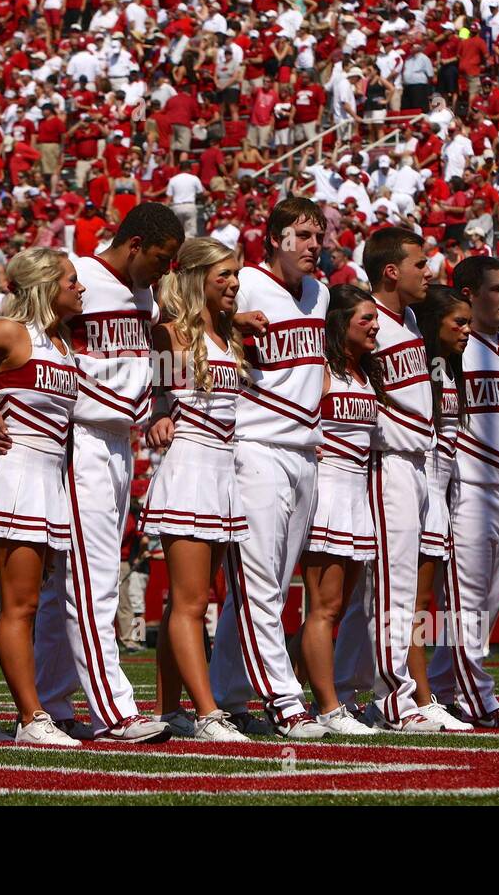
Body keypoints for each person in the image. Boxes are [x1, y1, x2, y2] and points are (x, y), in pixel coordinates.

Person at [22, 203, 182, 744]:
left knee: (69, 585)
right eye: (160, 258)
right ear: (134, 244)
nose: (163, 271)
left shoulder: (144, 294)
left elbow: (160, 343)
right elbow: (22, 335)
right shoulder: (78, 277)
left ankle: (51, 699)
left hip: (119, 441)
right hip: (80, 437)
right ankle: (112, 710)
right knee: (92, 583)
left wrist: (159, 401)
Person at [208, 197, 331, 739]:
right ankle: (284, 699)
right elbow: (179, 313)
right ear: (275, 238)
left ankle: (229, 693)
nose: (314, 245)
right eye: (302, 235)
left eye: (318, 235)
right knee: (257, 582)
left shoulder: (322, 293)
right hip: (255, 447)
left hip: (305, 451)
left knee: (271, 588)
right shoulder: (248, 283)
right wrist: (228, 318)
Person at [0, 247, 84, 746]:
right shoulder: (10, 332)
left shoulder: (61, 341)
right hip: (16, 475)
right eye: (71, 281)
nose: (80, 289)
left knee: (27, 603)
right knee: (20, 605)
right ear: (44, 286)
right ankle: (32, 719)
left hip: (50, 476)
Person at [140, 238, 250, 743]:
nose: (233, 283)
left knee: (185, 603)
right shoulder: (168, 332)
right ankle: (207, 713)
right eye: (223, 275)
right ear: (198, 277)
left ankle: (169, 710)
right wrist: (158, 414)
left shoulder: (227, 334)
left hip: (223, 472)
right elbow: (147, 387)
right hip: (189, 471)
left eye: (235, 275)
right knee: (190, 603)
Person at [423, 256, 499, 728]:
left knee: (488, 604)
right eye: (498, 289)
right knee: (464, 603)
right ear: (468, 293)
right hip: (465, 487)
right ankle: (479, 699)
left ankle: (445, 688)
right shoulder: (452, 347)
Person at [359, 225, 437, 731]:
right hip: (385, 463)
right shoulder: (367, 320)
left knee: (400, 589)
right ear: (392, 271)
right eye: (419, 264)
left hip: (417, 463)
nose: (427, 273)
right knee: (392, 588)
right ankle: (393, 700)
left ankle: (358, 693)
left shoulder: (408, 317)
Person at [296, 285, 381, 735]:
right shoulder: (321, 372)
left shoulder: (366, 374)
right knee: (323, 609)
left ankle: (289, 690)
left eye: (375, 319)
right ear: (339, 323)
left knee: (338, 608)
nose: (375, 326)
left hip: (358, 494)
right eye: (364, 319)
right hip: (327, 493)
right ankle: (328, 708)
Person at [405, 284, 475, 731]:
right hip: (422, 492)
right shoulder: (428, 369)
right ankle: (420, 696)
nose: (468, 331)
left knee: (418, 606)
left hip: (441, 494)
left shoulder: (450, 368)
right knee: (413, 606)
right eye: (460, 323)